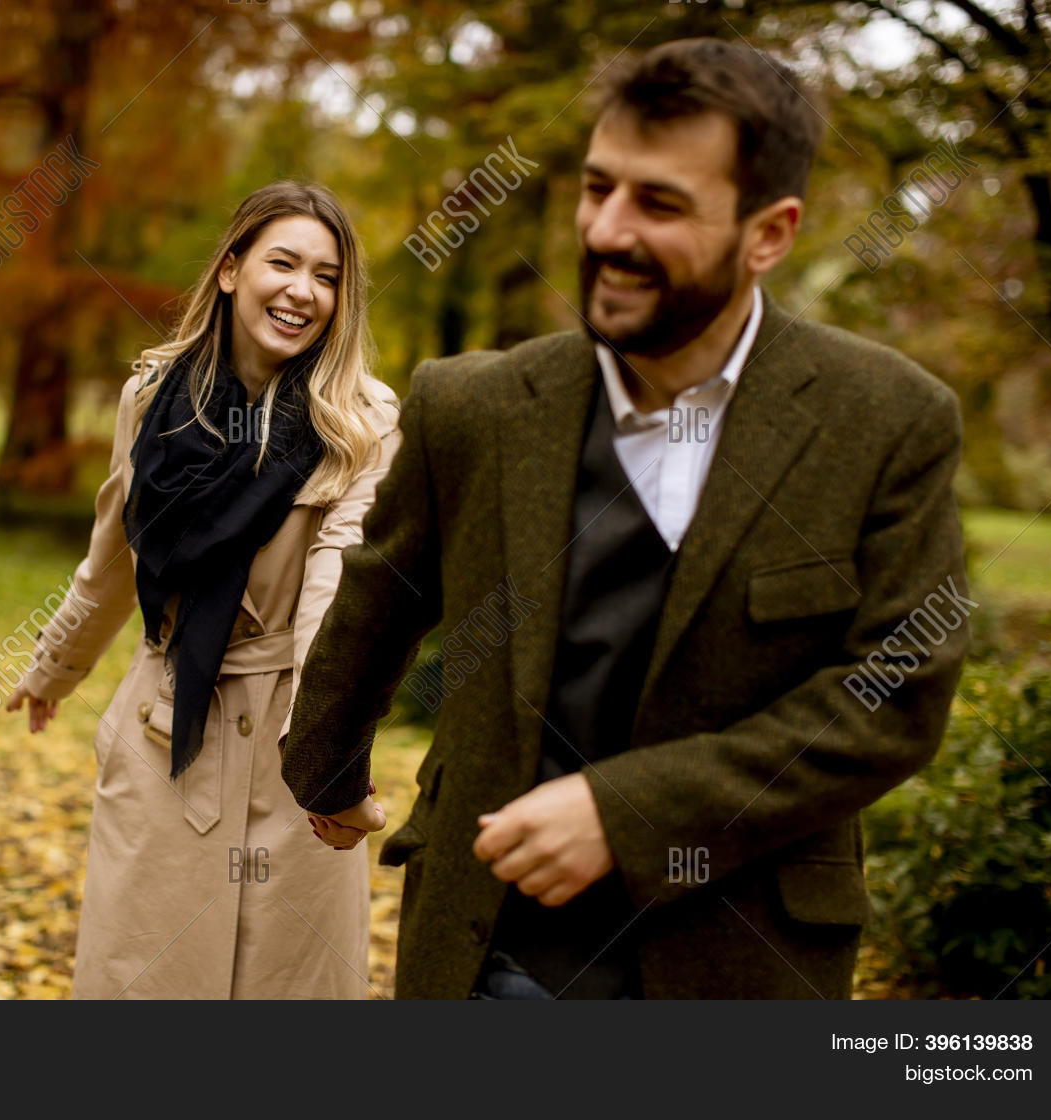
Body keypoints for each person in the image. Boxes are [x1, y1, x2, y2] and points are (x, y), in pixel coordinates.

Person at [282, 38, 969, 999]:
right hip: (489, 957)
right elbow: (382, 594)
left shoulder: (889, 420)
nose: (606, 231)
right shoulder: (470, 406)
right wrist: (322, 769)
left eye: (659, 203)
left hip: (739, 966)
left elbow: (895, 692)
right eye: (598, 188)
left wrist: (630, 815)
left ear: (769, 232)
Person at [6, 180, 399, 999]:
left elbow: (336, 592)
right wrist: (55, 664)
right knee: (143, 981)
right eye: (282, 263)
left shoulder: (360, 422)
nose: (303, 291)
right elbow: (114, 553)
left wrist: (325, 761)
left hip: (290, 749)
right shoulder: (154, 398)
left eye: (327, 277)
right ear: (230, 270)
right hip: (164, 739)